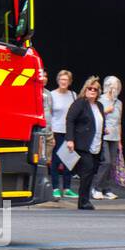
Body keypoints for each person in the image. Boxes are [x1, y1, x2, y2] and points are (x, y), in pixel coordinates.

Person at [64, 76, 104, 210]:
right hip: (82, 144)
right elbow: (70, 119)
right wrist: (70, 139)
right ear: (85, 89)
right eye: (90, 88)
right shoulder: (80, 103)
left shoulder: (99, 105)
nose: (93, 91)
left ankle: (84, 200)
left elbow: (96, 123)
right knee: (87, 171)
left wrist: (104, 130)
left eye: (96, 89)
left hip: (96, 145)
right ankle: (83, 201)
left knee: (90, 172)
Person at [92, 76, 123, 200]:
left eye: (117, 86)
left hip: (115, 136)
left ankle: (107, 189)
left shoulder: (119, 103)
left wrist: (120, 140)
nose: (115, 88)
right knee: (106, 162)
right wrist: (105, 111)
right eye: (113, 86)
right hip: (103, 136)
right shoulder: (100, 100)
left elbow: (119, 122)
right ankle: (96, 188)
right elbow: (95, 116)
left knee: (112, 164)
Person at [49, 70, 77, 199]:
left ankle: (67, 188)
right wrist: (50, 134)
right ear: (58, 80)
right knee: (55, 160)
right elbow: (48, 114)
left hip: (69, 132)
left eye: (66, 80)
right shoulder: (52, 95)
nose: (63, 82)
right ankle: (55, 188)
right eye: (61, 79)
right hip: (56, 131)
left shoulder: (73, 95)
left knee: (68, 161)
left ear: (69, 82)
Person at [39, 69, 54, 185]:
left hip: (49, 130)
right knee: (40, 159)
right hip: (40, 131)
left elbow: (50, 111)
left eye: (46, 76)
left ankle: (46, 183)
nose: (44, 78)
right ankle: (39, 183)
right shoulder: (34, 91)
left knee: (48, 160)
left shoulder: (49, 93)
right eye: (42, 76)